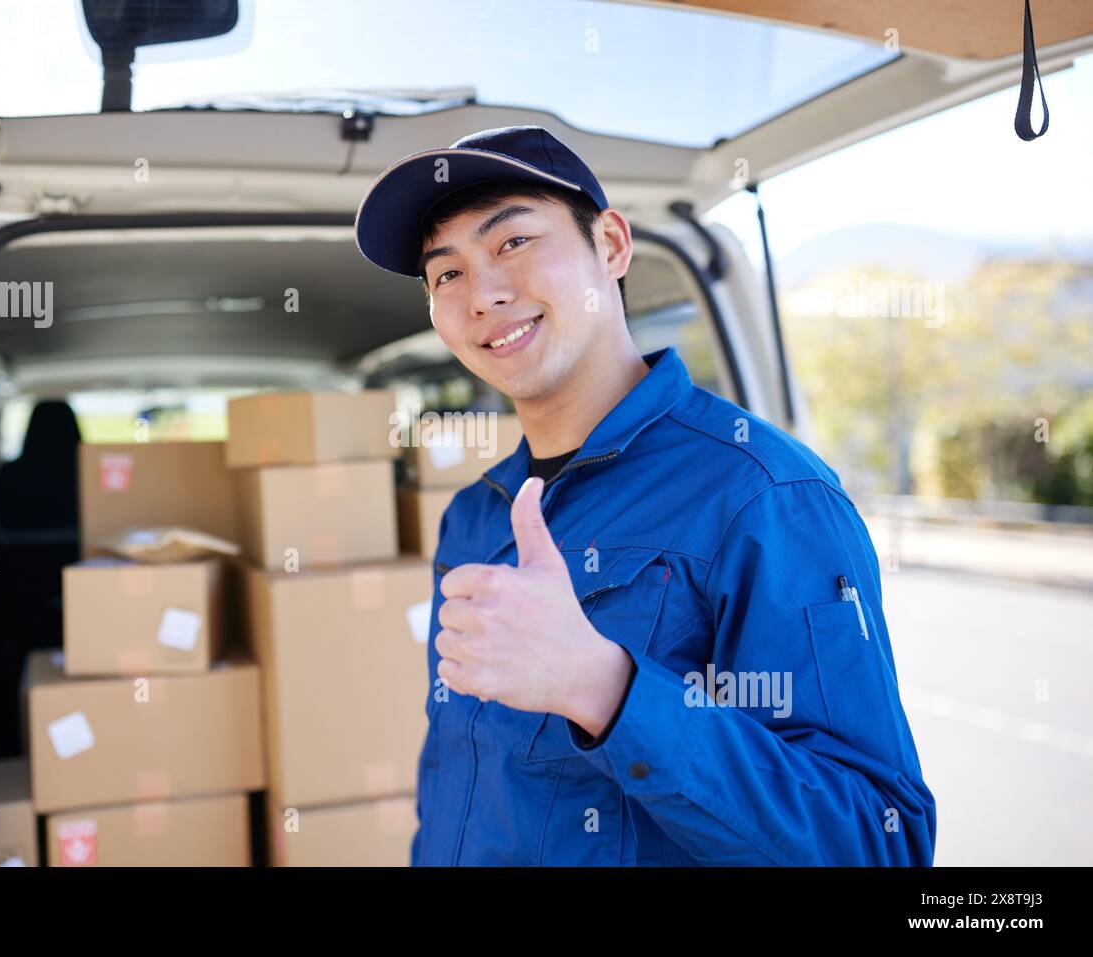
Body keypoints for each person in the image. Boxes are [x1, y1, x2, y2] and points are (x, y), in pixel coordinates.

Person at [354, 125, 936, 866]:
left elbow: (876, 841)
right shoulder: (474, 515)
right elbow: (461, 781)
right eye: (446, 275)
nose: (484, 295)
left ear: (611, 246)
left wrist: (604, 688)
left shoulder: (764, 497)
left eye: (513, 244)